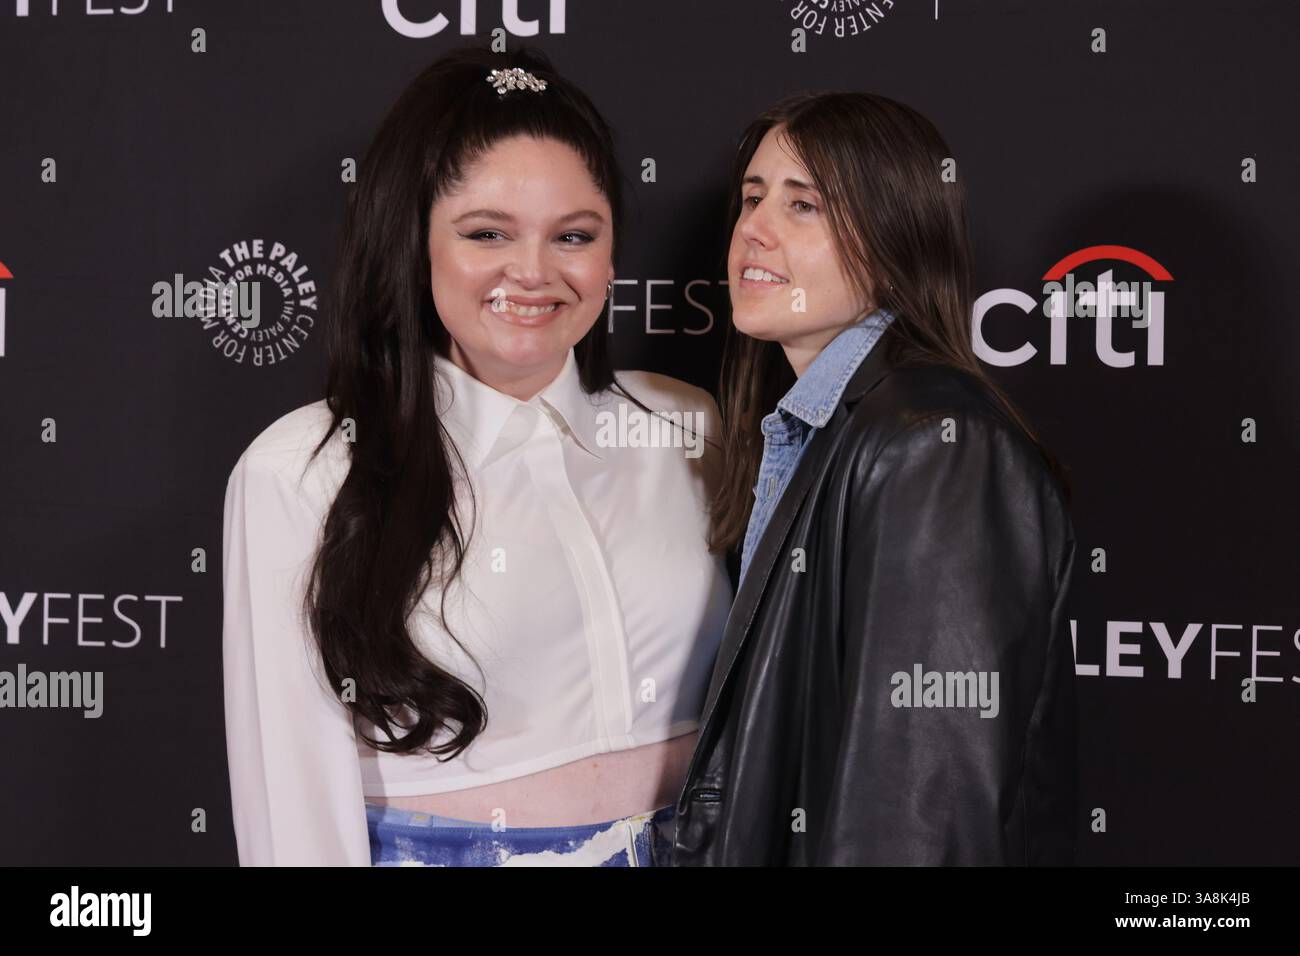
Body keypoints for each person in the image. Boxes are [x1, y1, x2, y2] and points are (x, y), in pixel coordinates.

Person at [221, 47, 731, 867]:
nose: (532, 272)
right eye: (487, 232)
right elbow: (294, 813)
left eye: (574, 235)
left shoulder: (684, 424)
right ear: (414, 243)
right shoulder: (301, 472)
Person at [672, 91, 1079, 865]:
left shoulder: (938, 448)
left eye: (806, 206)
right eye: (753, 198)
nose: (753, 228)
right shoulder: (828, 430)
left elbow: (920, 811)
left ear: (896, 238)